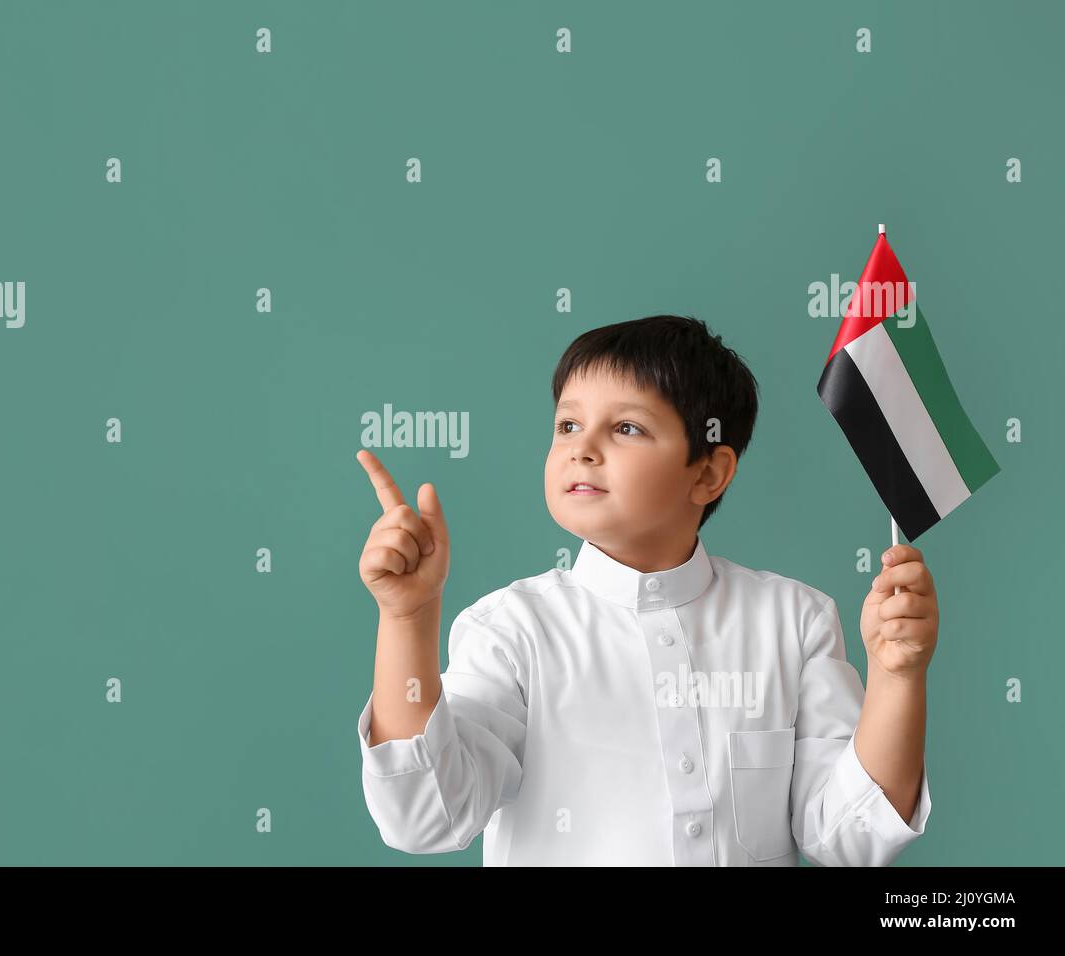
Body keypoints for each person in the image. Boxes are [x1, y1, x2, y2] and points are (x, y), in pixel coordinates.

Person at [354, 314, 935, 866]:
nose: (582, 447)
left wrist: (896, 678)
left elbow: (850, 839)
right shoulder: (509, 629)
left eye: (627, 427)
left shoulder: (794, 620)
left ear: (708, 473)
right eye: (567, 425)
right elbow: (425, 818)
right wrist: (408, 618)